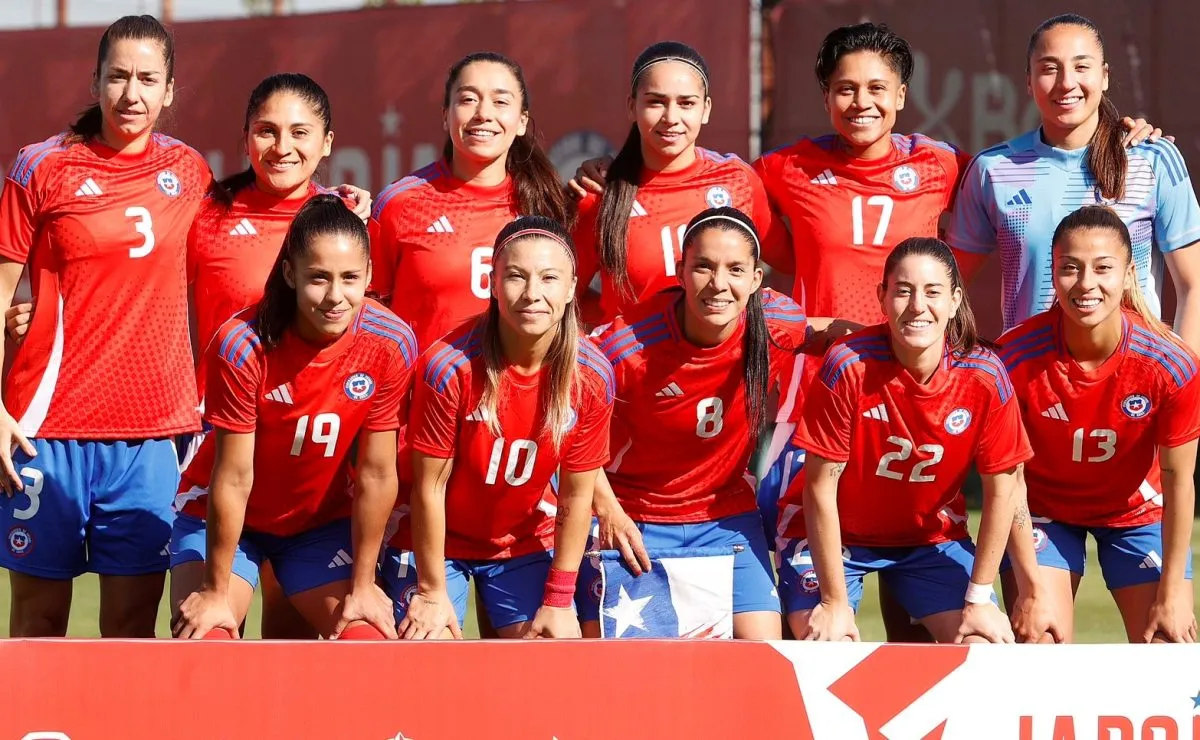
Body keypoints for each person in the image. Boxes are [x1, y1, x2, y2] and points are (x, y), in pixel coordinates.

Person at [0, 16, 213, 637]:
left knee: (129, 626)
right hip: (44, 431)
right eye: (118, 76)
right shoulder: (40, 167)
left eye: (148, 79)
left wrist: (329, 205)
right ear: (95, 80)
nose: (132, 94)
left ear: (170, 90)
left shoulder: (191, 171)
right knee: (37, 621)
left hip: (149, 440)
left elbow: (252, 230)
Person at [775, 237, 1055, 643]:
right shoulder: (848, 364)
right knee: (827, 647)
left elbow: (1005, 489)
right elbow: (820, 488)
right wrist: (834, 602)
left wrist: (979, 598)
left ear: (956, 299)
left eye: (932, 292)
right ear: (882, 297)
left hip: (930, 540)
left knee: (983, 649)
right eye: (903, 291)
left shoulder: (984, 376)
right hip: (838, 540)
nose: (917, 306)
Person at [170, 195, 415, 640]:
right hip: (224, 520)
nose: (336, 297)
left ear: (370, 277)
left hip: (317, 528)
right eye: (318, 279)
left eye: (350, 278)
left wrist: (363, 586)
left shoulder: (390, 341)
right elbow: (233, 476)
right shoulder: (243, 343)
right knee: (206, 640)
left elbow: (378, 474)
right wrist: (213, 589)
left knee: (368, 641)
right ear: (290, 274)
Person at [576, 207, 819, 639]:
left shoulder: (776, 323)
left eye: (736, 269)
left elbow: (824, 331)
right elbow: (567, 428)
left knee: (765, 654)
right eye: (703, 266)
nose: (719, 284)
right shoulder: (625, 344)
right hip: (636, 518)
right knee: (619, 672)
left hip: (725, 514)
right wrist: (607, 509)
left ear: (757, 281)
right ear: (680, 271)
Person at [384, 215, 613, 639]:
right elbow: (429, 488)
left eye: (548, 278)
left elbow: (578, 493)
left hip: (521, 541)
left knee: (550, 655)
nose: (532, 294)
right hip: (437, 541)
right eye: (515, 277)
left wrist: (559, 600)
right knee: (429, 648)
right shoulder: (447, 365)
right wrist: (432, 593)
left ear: (570, 287)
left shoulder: (591, 373)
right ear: (491, 282)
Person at [999, 206, 1197, 643]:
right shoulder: (1013, 358)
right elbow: (1007, 481)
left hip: (1136, 512)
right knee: (1038, 638)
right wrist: (1030, 586)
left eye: (1102, 268)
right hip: (1044, 514)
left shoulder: (1171, 363)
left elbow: (1179, 480)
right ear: (1053, 273)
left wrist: (1174, 595)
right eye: (1070, 268)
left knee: (1169, 643)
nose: (1086, 284)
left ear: (1129, 274)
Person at [950, 13, 1200, 349]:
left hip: (1133, 391)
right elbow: (948, 287)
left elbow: (1194, 285)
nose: (1066, 82)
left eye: (1082, 66)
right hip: (1030, 388)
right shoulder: (993, 169)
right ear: (1028, 80)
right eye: (1049, 68)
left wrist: (1185, 379)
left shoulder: (1152, 159)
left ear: (1105, 76)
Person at [572, 41, 790, 326]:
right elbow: (564, 291)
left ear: (706, 108)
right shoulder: (599, 193)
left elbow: (799, 263)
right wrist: (615, 326)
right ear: (631, 106)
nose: (671, 118)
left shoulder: (738, 180)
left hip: (723, 368)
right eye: (655, 102)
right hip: (633, 367)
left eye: (686, 103)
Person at [370, 51, 571, 351]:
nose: (483, 114)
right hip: (426, 395)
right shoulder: (401, 202)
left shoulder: (546, 206)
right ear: (445, 115)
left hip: (515, 395)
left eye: (500, 101)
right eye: (468, 99)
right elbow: (369, 311)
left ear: (521, 121)